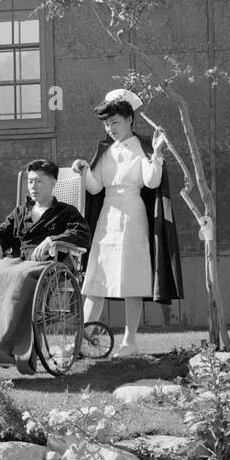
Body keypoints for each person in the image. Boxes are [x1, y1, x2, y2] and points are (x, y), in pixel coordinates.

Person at [0, 158, 91, 373]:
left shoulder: (66, 212)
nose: (33, 187)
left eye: (39, 181)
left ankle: (8, 348)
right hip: (17, 260)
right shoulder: (21, 212)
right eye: (30, 182)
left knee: (18, 277)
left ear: (52, 183)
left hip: (45, 264)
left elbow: (81, 234)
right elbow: (1, 231)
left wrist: (53, 240)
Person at [72, 88, 184, 357]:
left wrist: (156, 154)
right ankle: (82, 341)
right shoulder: (106, 151)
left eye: (115, 122)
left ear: (130, 119)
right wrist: (84, 170)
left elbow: (152, 181)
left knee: (132, 283)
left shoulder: (144, 147)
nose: (110, 128)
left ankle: (129, 341)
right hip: (107, 218)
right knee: (95, 282)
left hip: (133, 217)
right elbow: (96, 188)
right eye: (107, 124)